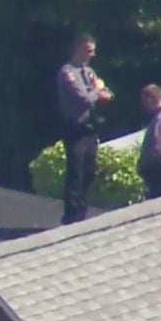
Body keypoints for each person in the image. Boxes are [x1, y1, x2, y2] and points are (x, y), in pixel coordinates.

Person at [56, 33, 114, 224]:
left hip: (91, 128)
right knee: (76, 172)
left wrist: (101, 92)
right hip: (76, 129)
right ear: (79, 49)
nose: (92, 55)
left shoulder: (88, 72)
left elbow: (107, 93)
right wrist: (98, 90)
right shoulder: (68, 73)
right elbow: (84, 98)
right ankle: (71, 215)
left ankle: (82, 210)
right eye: (89, 50)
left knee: (89, 171)